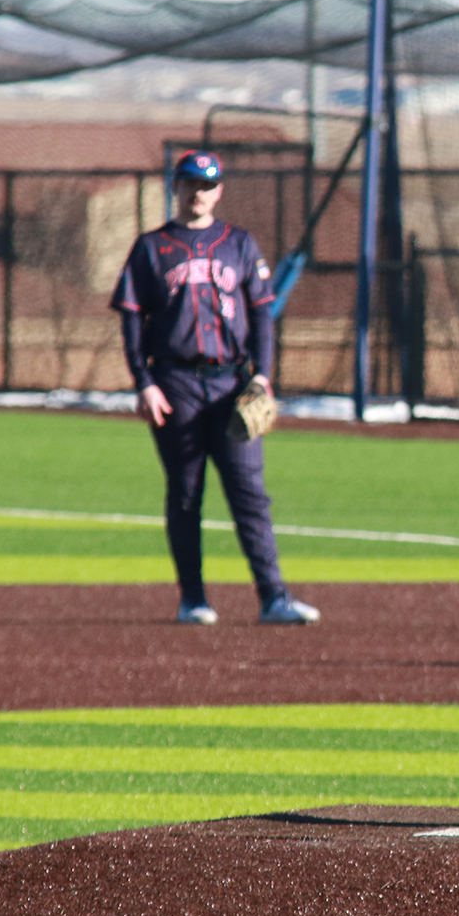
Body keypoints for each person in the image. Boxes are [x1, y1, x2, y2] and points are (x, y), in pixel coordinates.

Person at [110, 149, 320, 627]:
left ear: (219, 190)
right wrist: (143, 382)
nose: (198, 193)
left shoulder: (239, 244)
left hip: (231, 383)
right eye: (190, 184)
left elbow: (263, 313)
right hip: (175, 382)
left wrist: (263, 376)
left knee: (249, 492)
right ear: (175, 187)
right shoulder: (151, 248)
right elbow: (131, 319)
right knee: (186, 493)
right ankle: (193, 599)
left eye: (207, 185)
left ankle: (274, 598)